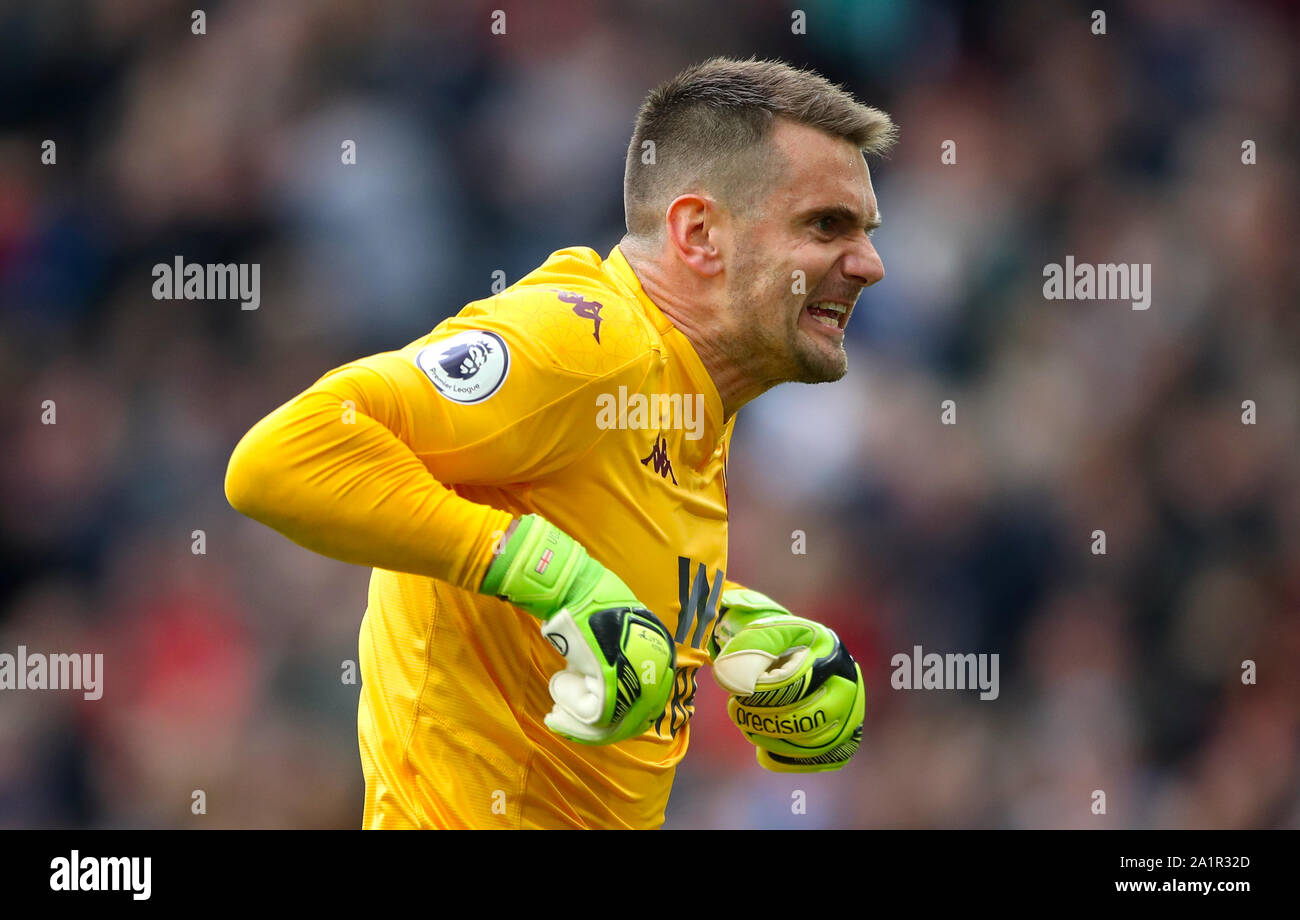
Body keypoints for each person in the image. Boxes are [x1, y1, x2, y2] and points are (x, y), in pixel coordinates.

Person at [225, 55, 895, 829]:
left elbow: (577, 562)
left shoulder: (688, 397)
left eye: (866, 232)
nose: (870, 264)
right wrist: (554, 577)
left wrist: (731, 631)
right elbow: (278, 458)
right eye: (825, 226)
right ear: (699, 233)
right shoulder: (584, 342)